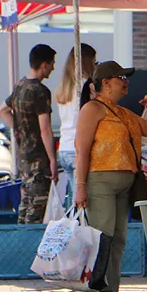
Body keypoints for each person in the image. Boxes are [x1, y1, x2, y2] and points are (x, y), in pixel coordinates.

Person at [73, 61, 147, 292]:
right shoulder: (92, 109)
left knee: (118, 239)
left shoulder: (121, 112)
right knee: (103, 236)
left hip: (125, 184)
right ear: (106, 83)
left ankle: (112, 291)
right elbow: (82, 150)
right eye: (122, 77)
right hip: (100, 180)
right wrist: (80, 185)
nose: (126, 81)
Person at [0, 44, 58, 224]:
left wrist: (18, 130)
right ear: (44, 64)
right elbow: (45, 129)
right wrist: (53, 160)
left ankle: (20, 246)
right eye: (52, 63)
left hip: (23, 158)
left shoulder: (20, 86)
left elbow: (2, 110)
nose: (53, 68)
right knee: (37, 210)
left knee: (25, 206)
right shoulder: (40, 91)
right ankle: (32, 249)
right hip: (39, 159)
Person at [54, 43, 97, 209]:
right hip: (79, 148)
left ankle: (75, 231)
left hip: (64, 147)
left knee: (73, 200)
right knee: (85, 202)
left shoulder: (64, 87)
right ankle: (82, 234)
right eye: (94, 61)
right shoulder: (86, 87)